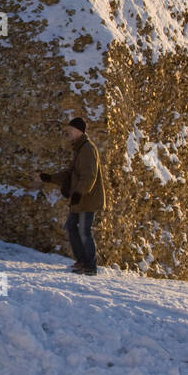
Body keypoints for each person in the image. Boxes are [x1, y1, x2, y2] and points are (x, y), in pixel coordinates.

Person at [39, 116, 106, 274]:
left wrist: (78, 193)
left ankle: (90, 266)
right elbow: (70, 174)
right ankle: (82, 261)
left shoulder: (88, 149)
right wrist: (50, 178)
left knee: (84, 231)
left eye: (70, 129)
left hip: (87, 199)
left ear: (78, 130)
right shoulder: (79, 148)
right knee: (72, 227)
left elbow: (89, 176)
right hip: (79, 198)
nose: (67, 132)